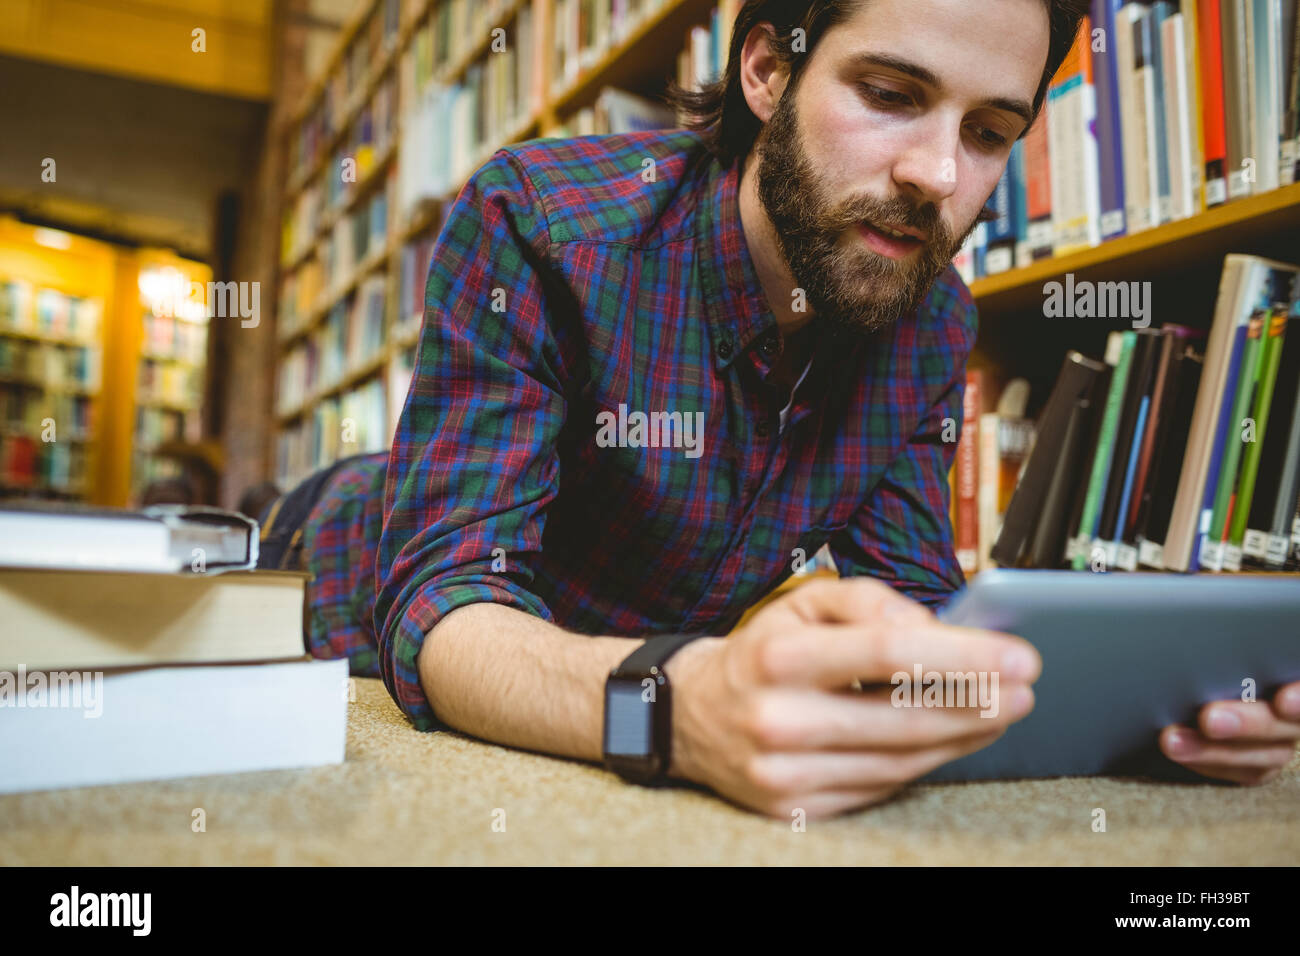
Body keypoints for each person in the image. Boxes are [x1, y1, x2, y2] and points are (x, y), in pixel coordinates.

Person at [319, 0, 1298, 819]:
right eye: (888, 95)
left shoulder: (929, 316)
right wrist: (671, 704)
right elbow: (444, 598)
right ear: (765, 71)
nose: (939, 176)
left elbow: (919, 609)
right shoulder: (535, 223)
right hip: (328, 569)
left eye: (989, 132)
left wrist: (1149, 719)